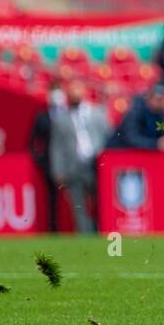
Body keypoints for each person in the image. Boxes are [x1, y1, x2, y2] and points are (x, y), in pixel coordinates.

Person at [49, 80, 111, 233]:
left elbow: (108, 137)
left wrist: (108, 162)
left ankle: (102, 231)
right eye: (71, 90)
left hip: (96, 165)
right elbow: (57, 146)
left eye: (77, 89)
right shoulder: (61, 119)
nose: (75, 93)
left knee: (101, 201)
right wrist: (58, 170)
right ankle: (85, 234)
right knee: (78, 205)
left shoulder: (97, 113)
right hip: (73, 166)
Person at [29, 80, 66, 233]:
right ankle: (53, 229)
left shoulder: (69, 115)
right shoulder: (42, 117)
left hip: (70, 163)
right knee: (52, 199)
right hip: (50, 164)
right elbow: (32, 141)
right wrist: (40, 160)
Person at [107, 84, 164, 152]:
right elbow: (131, 139)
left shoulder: (160, 112)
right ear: (149, 97)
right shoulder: (134, 111)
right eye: (157, 99)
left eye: (162, 99)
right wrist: (157, 144)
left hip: (143, 152)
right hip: (120, 150)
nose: (160, 102)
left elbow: (163, 131)